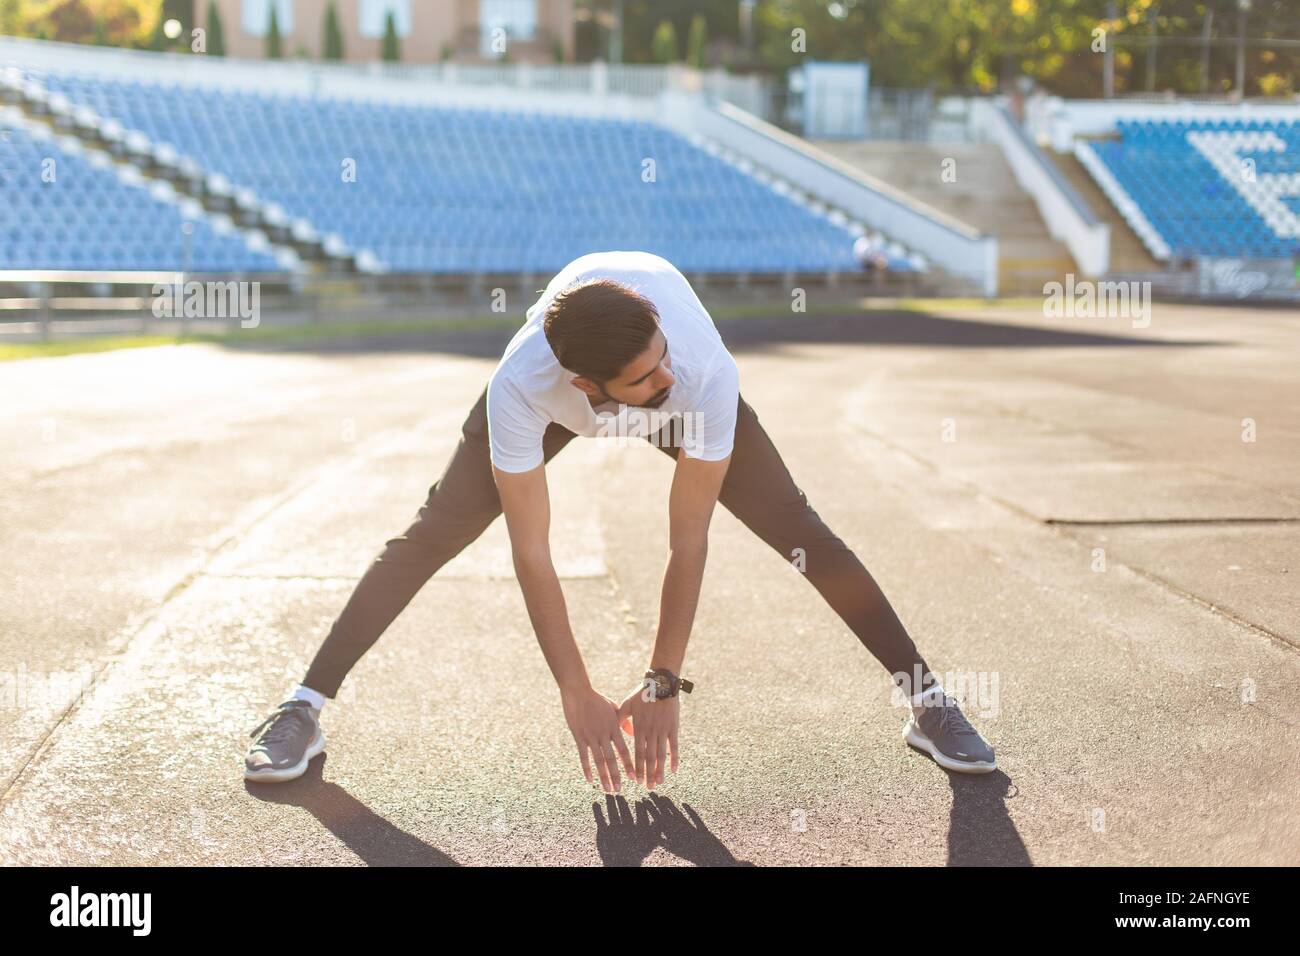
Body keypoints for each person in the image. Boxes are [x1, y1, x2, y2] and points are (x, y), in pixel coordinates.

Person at [243, 251, 995, 790]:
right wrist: (575, 688)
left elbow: (687, 536)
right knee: (431, 533)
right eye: (643, 376)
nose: (662, 376)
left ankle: (929, 702)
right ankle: (302, 708)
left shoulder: (695, 374)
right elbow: (532, 553)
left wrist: (662, 682)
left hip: (683, 403)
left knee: (803, 535)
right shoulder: (524, 390)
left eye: (661, 357)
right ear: (584, 385)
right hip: (558, 404)